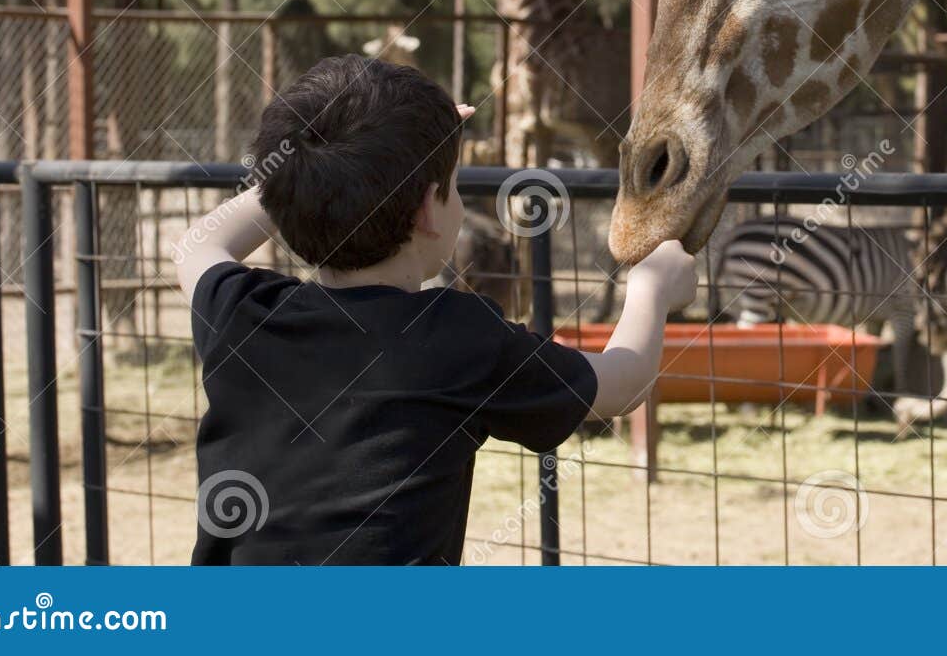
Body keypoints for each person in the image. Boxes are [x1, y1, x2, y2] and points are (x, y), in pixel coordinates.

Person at [172, 55, 696, 564]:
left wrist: (304, 169)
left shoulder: (244, 313)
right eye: (454, 187)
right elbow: (622, 383)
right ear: (428, 210)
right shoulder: (456, 336)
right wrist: (652, 285)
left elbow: (198, 245)